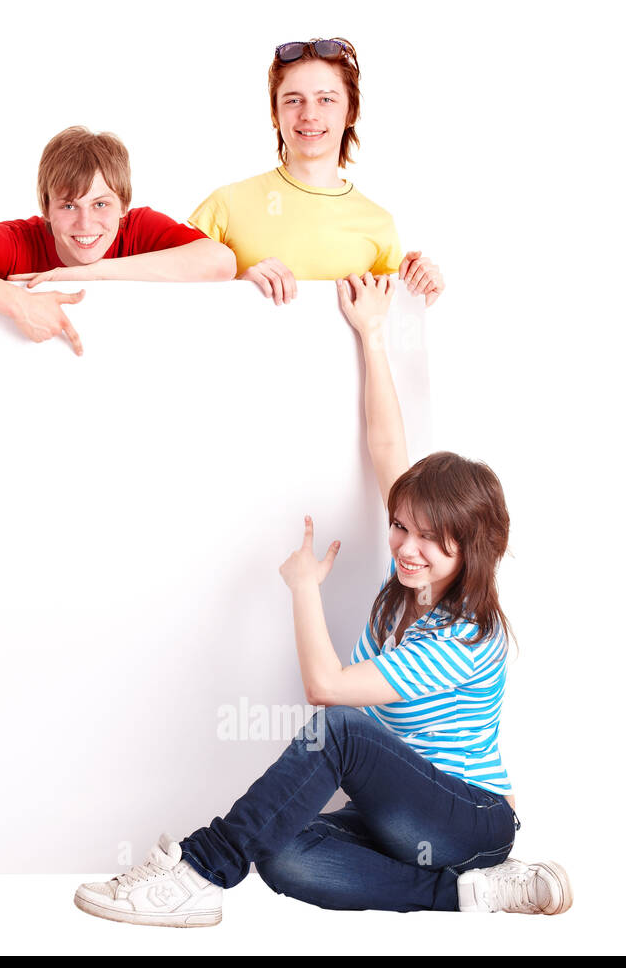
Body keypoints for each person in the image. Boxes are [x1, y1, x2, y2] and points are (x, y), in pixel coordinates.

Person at [74, 274, 570, 926]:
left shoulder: (463, 637)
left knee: (342, 730)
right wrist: (372, 335)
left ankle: (200, 871)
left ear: (472, 551)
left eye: (432, 541)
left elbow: (328, 690)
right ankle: (475, 893)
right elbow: (390, 451)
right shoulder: (411, 582)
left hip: (470, 821)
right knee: (282, 854)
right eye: (402, 527)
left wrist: (305, 589)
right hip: (401, 815)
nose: (408, 548)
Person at [0, 127, 236, 355]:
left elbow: (221, 262)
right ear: (46, 208)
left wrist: (91, 273)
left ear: (123, 206)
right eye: (69, 205)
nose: (86, 223)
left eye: (101, 204)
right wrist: (18, 303)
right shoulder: (20, 240)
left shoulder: (140, 227)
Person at [189, 38, 445, 307]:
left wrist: (419, 291)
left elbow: (385, 328)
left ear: (351, 112)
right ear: (274, 113)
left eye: (326, 99)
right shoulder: (226, 205)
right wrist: (239, 288)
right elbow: (168, 300)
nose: (309, 114)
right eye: (294, 100)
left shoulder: (379, 224)